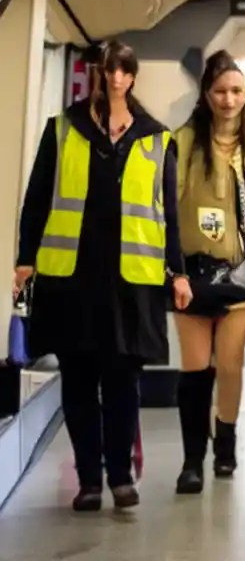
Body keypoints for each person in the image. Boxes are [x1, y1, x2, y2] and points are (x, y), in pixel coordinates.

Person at [13, 41, 190, 511]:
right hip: (71, 275)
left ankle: (120, 476)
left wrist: (179, 272)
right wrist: (24, 258)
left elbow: (168, 213)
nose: (115, 79)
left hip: (132, 278)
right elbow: (36, 199)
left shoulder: (157, 137)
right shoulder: (63, 129)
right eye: (108, 71)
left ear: (133, 77)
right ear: (98, 75)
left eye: (124, 71)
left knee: (121, 381)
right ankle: (88, 479)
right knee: (77, 381)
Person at [172, 50, 245, 493]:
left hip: (238, 275)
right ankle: (192, 458)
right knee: (195, 370)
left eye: (236, 91)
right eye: (220, 91)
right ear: (207, 95)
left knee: (230, 367)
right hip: (190, 275)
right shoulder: (183, 142)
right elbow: (167, 210)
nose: (229, 100)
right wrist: (171, 269)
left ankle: (225, 446)